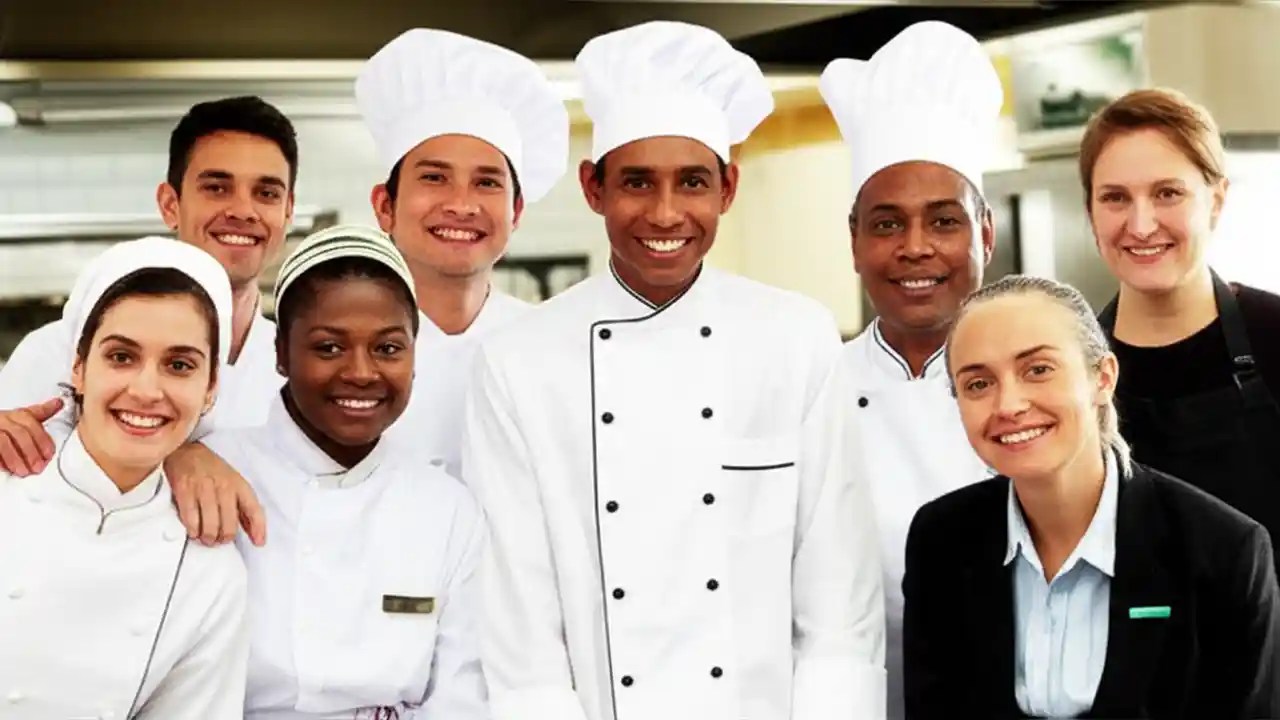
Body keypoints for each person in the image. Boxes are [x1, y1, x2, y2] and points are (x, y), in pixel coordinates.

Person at [462, 20, 885, 720]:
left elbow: (838, 597)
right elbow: (520, 622)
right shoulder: (519, 363)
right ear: (594, 188)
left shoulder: (795, 336)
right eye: (636, 183)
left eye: (691, 182)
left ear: (727, 188)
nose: (665, 213)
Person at [902, 274, 1280, 719]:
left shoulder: (1223, 551)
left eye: (1037, 370)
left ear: (1103, 377)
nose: (1008, 405)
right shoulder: (941, 540)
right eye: (978, 384)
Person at [199, 225, 486, 718]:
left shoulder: (447, 510)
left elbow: (463, 696)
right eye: (329, 347)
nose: (361, 372)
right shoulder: (212, 474)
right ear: (281, 354)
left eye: (389, 348)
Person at [0, 96, 296, 545]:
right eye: (217, 187)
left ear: (289, 212)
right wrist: (170, 456)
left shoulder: (295, 368)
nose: (243, 210)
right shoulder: (54, 350)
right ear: (170, 204)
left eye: (267, 193)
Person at [818, 21, 1003, 719]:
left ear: (985, 232)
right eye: (887, 224)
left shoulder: (1046, 398)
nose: (915, 249)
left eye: (944, 222)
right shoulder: (812, 388)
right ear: (856, 241)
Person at [0, 237, 248, 718]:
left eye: (179, 365)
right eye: (121, 356)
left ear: (211, 387)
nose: (146, 390)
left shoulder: (209, 576)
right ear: (78, 365)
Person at [1080, 87, 1280, 570]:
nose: (1141, 225)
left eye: (1167, 193)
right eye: (1115, 198)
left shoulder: (1274, 333)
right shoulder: (1071, 365)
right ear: (1090, 211)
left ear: (1216, 200)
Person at [357, 28, 568, 478]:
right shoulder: (333, 349)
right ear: (384, 205)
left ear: (515, 212)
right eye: (434, 178)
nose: (461, 204)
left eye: (487, 182)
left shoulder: (556, 348)